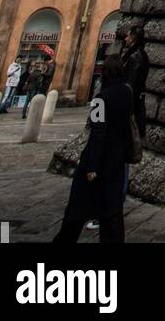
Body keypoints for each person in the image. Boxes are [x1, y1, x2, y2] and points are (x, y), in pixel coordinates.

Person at [52, 53, 133, 244]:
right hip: (117, 158)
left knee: (78, 206)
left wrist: (91, 167)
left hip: (98, 159)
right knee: (112, 209)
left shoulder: (100, 98)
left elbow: (97, 133)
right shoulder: (127, 92)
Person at [120, 26, 149, 138]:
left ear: (133, 38)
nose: (125, 39)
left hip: (131, 103)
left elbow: (131, 83)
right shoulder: (141, 54)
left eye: (128, 36)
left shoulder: (134, 56)